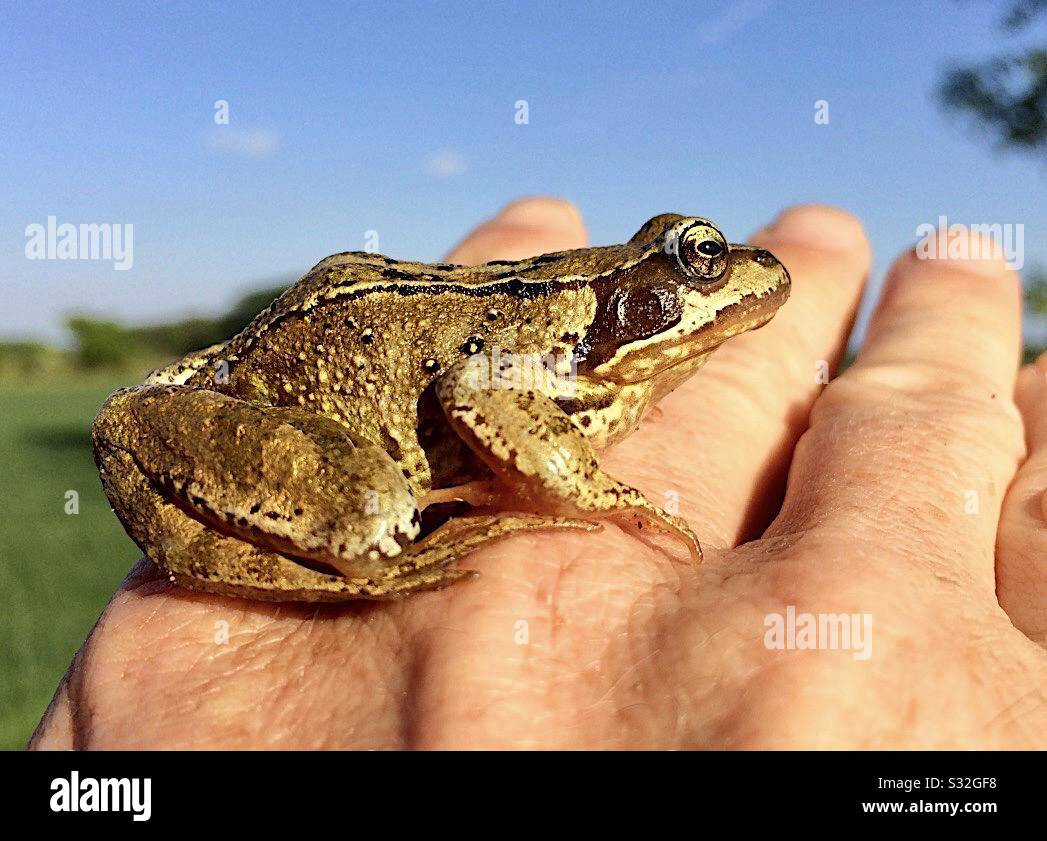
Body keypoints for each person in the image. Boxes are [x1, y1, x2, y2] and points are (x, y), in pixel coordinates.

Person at [31, 198, 1047, 749]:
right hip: (323, 399)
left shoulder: (596, 355)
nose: (732, 273)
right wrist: (595, 490)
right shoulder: (555, 350)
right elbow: (479, 392)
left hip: (271, 363)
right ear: (635, 290)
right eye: (696, 259)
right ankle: (333, 556)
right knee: (379, 516)